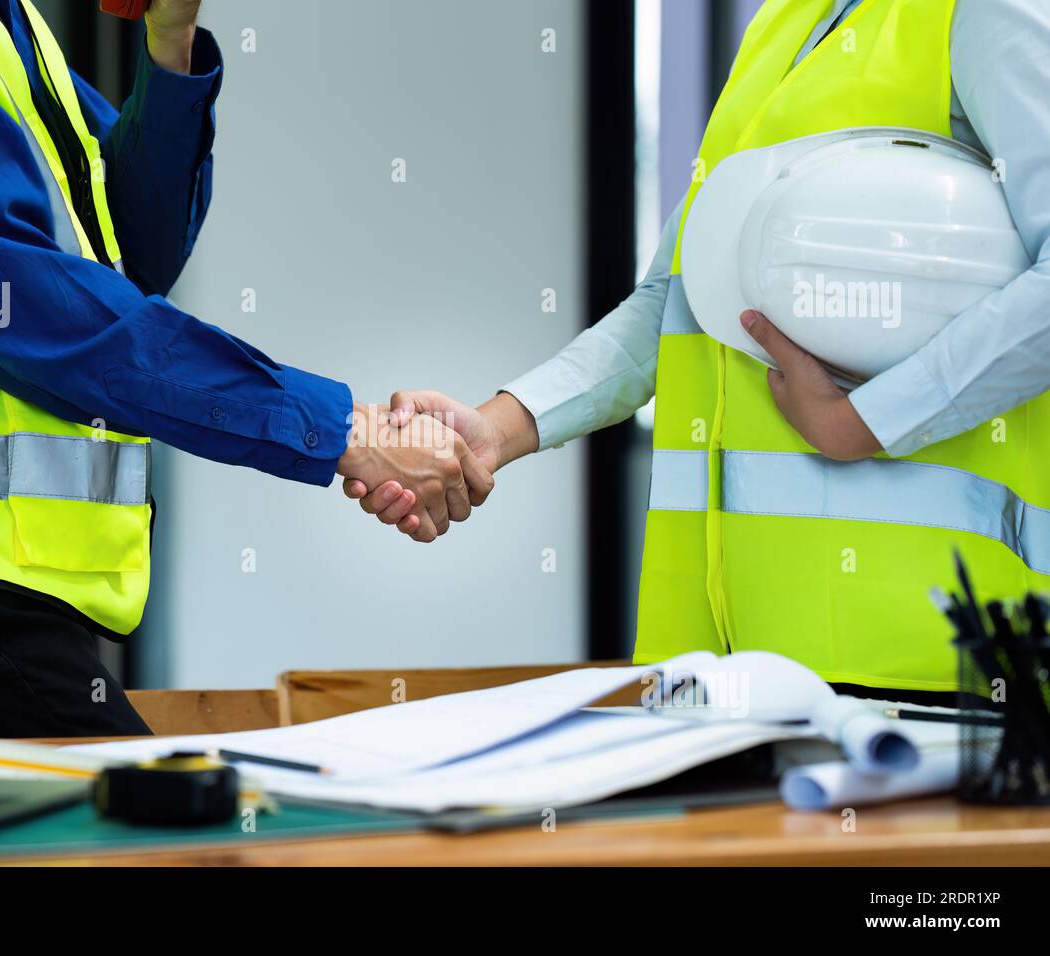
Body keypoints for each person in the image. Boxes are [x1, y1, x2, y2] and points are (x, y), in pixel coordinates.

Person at [0, 0, 491, 737]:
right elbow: (10, 295)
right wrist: (340, 429)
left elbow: (124, 251)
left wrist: (170, 45)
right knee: (168, 845)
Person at [350, 0, 1050, 703]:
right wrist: (496, 430)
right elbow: (679, 302)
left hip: (941, 664)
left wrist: (868, 421)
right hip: (738, 664)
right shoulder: (780, 28)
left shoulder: (984, 13)